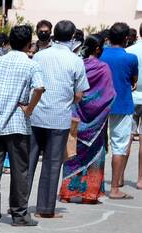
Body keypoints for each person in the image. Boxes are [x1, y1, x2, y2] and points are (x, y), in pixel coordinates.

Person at [0, 24, 45, 226]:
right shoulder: (31, 64)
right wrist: (30, 109)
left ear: (8, 43)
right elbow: (39, 88)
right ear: (27, 44)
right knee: (19, 172)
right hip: (17, 124)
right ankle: (19, 214)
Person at [28, 19, 87, 218]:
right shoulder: (76, 60)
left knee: (28, 162)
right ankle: (45, 209)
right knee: (52, 164)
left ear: (54, 35)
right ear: (72, 37)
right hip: (59, 118)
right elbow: (79, 94)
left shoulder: (39, 56)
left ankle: (18, 204)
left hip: (35, 115)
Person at [59, 36, 117, 205]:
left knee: (72, 154)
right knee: (94, 155)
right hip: (96, 123)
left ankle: (68, 193)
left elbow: (72, 90)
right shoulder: (103, 68)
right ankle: (90, 195)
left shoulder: (79, 65)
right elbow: (108, 95)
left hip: (75, 117)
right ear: (98, 49)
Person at [100, 22, 139, 200]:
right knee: (120, 146)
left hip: (99, 104)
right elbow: (134, 80)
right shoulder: (130, 58)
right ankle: (115, 188)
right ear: (126, 38)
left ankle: (94, 184)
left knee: (97, 145)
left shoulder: (100, 54)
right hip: (122, 104)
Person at [128, 22, 142, 187]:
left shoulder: (129, 51)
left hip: (130, 97)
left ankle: (119, 178)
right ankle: (140, 179)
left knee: (127, 138)